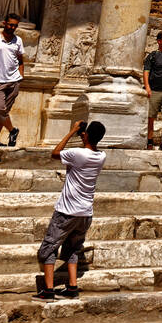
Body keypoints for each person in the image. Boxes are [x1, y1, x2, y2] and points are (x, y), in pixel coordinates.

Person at [36, 119, 107, 301]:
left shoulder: (78, 154)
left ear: (87, 135)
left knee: (49, 248)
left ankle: (48, 290)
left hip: (67, 211)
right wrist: (84, 136)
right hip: (85, 213)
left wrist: (72, 131)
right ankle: (72, 287)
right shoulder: (102, 156)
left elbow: (55, 153)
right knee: (73, 249)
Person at [0, 13, 24, 147]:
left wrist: (21, 75)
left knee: (3, 112)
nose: (12, 27)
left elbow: (20, 59)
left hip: (14, 81)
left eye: (15, 25)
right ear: (4, 23)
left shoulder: (18, 40)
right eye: (10, 24)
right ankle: (13, 130)